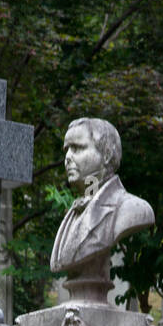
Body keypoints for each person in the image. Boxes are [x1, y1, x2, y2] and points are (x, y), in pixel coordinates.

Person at [50, 119, 154, 296]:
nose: (68, 157)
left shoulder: (132, 209)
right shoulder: (74, 213)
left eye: (77, 148)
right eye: (66, 150)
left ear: (106, 155)